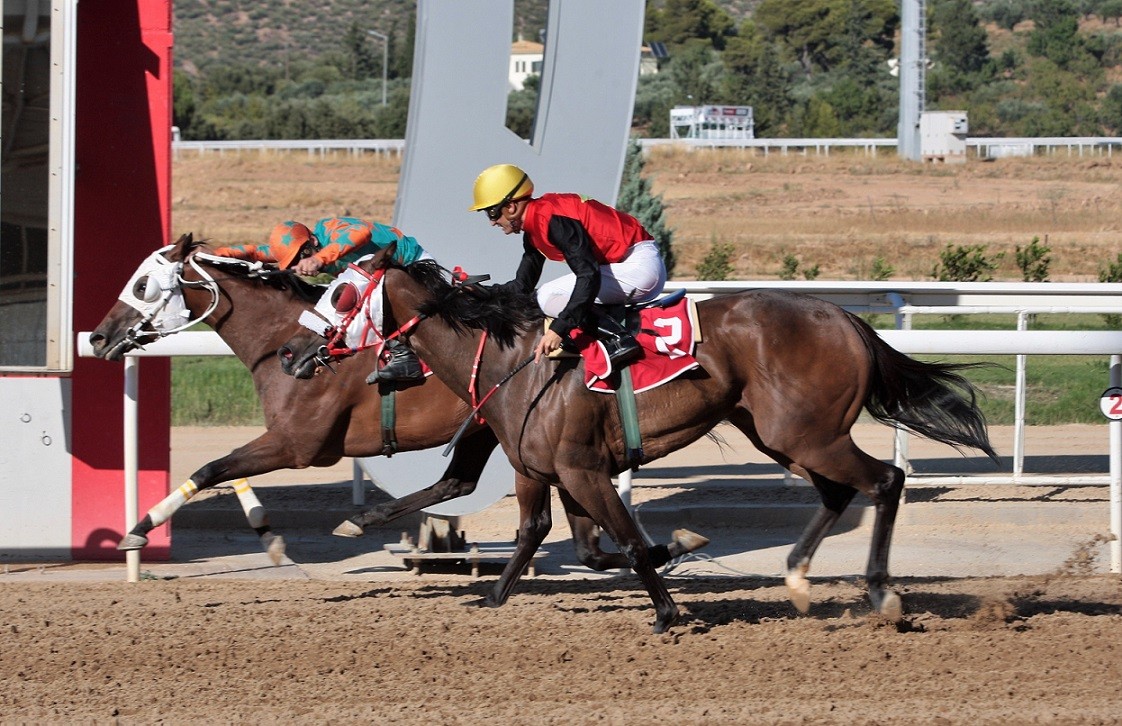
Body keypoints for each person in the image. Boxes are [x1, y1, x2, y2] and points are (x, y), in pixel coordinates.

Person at [469, 163, 666, 364]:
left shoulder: (552, 220)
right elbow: (522, 286)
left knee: (547, 294)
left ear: (511, 207)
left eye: (491, 213)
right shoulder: (535, 228)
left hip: (638, 266)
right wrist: (482, 293)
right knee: (542, 294)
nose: (492, 222)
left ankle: (618, 337)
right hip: (628, 266)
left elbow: (589, 274)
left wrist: (560, 328)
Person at [213, 217, 431, 382]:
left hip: (412, 265)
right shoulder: (302, 248)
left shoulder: (331, 228)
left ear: (311, 243)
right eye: (292, 263)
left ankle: (405, 357)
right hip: (379, 280)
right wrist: (216, 254)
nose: (298, 265)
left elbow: (361, 232)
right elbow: (254, 253)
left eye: (300, 258)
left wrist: (319, 259)